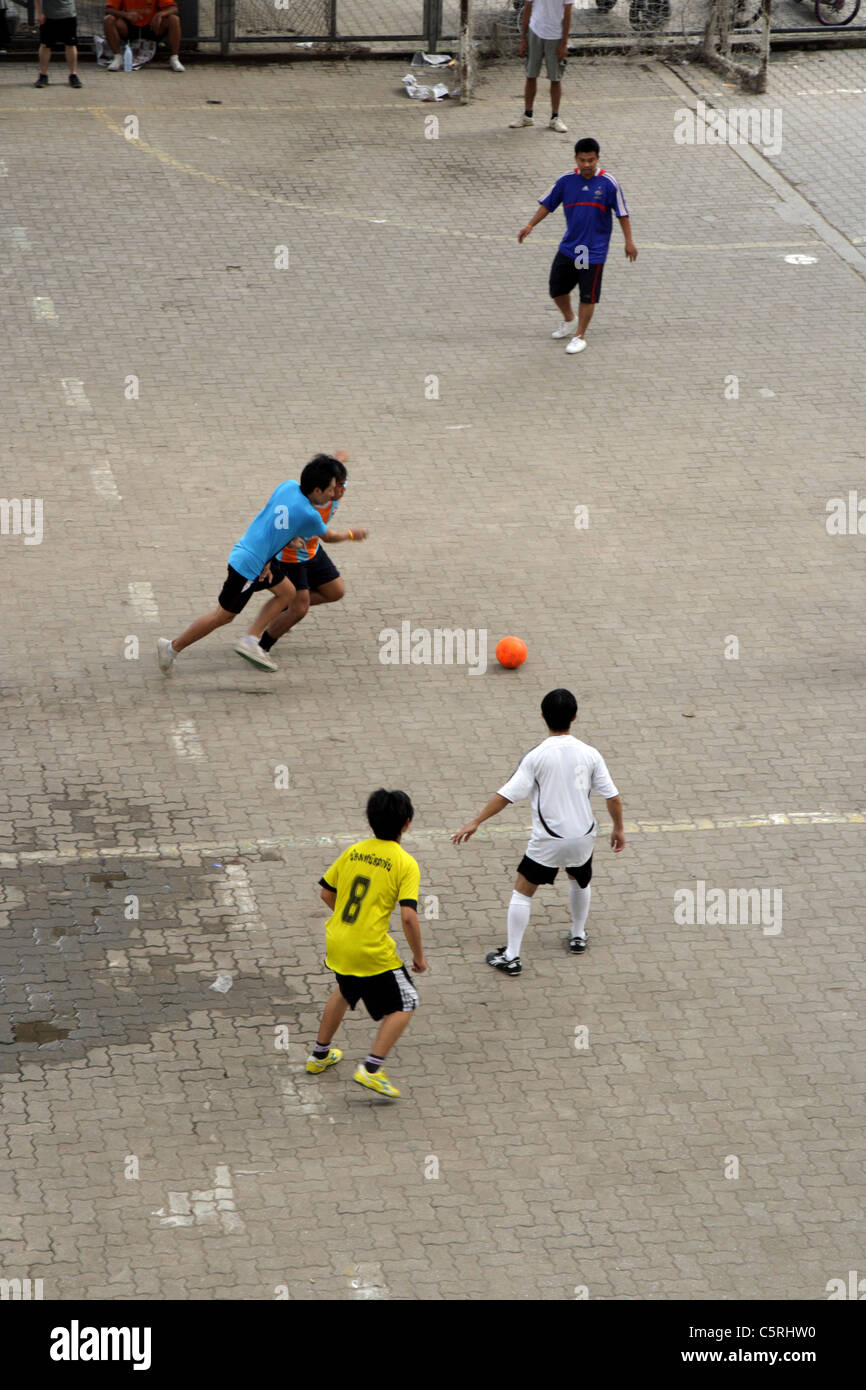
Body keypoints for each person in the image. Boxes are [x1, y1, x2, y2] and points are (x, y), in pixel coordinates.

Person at [451, 688, 625, 975]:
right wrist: (618, 828)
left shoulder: (536, 756)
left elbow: (507, 795)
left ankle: (512, 956)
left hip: (549, 840)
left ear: (543, 716)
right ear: (575, 717)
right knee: (578, 880)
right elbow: (613, 797)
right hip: (583, 837)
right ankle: (578, 935)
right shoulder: (591, 754)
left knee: (523, 891)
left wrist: (476, 821)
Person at [157, 454, 343, 676]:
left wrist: (276, 552)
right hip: (248, 565)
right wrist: (353, 535)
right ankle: (172, 647)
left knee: (287, 592)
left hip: (257, 555)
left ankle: (252, 638)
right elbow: (328, 537)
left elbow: (273, 522)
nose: (333, 495)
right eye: (330, 489)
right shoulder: (310, 514)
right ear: (316, 490)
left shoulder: (288, 486)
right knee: (223, 616)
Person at [306, 789, 427, 1100]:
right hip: (370, 948)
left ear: (370, 820)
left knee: (347, 989)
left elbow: (326, 893)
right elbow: (410, 918)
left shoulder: (354, 851)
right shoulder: (405, 862)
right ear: (407, 823)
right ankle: (371, 1069)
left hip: (337, 939)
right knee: (406, 1002)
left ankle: (319, 1056)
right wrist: (418, 956)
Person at [235, 452, 369, 672]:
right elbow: (330, 537)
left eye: (343, 484)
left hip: (313, 551)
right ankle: (261, 645)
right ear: (322, 488)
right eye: (337, 486)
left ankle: (283, 606)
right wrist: (353, 534)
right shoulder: (310, 506)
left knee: (335, 591)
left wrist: (338, 458)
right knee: (300, 608)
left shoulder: (333, 489)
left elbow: (329, 468)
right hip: (291, 559)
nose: (341, 490)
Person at [518, 136, 637, 355]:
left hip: (592, 252)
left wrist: (629, 241)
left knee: (587, 294)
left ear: (597, 159)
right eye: (582, 160)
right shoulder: (566, 181)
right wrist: (530, 225)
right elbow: (548, 204)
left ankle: (579, 336)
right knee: (557, 288)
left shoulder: (609, 183)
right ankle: (569, 320)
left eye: (591, 160)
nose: (587, 165)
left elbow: (622, 213)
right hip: (571, 248)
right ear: (576, 159)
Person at [510, 0, 572, 133]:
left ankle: (555, 117)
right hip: (535, 32)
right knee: (530, 75)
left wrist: (564, 43)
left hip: (555, 35)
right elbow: (528, 8)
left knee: (555, 78)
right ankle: (528, 115)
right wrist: (523, 39)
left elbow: (568, 14)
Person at [103, 0, 184, 72]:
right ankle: (117, 57)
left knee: (174, 19)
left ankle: (174, 58)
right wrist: (125, 14)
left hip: (152, 26)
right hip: (129, 26)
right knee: (108, 19)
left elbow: (174, 8)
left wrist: (160, 14)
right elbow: (108, 9)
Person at [33, 0, 82, 88]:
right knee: (45, 45)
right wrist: (39, 13)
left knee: (70, 44)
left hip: (68, 14)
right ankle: (43, 75)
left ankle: (73, 75)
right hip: (48, 16)